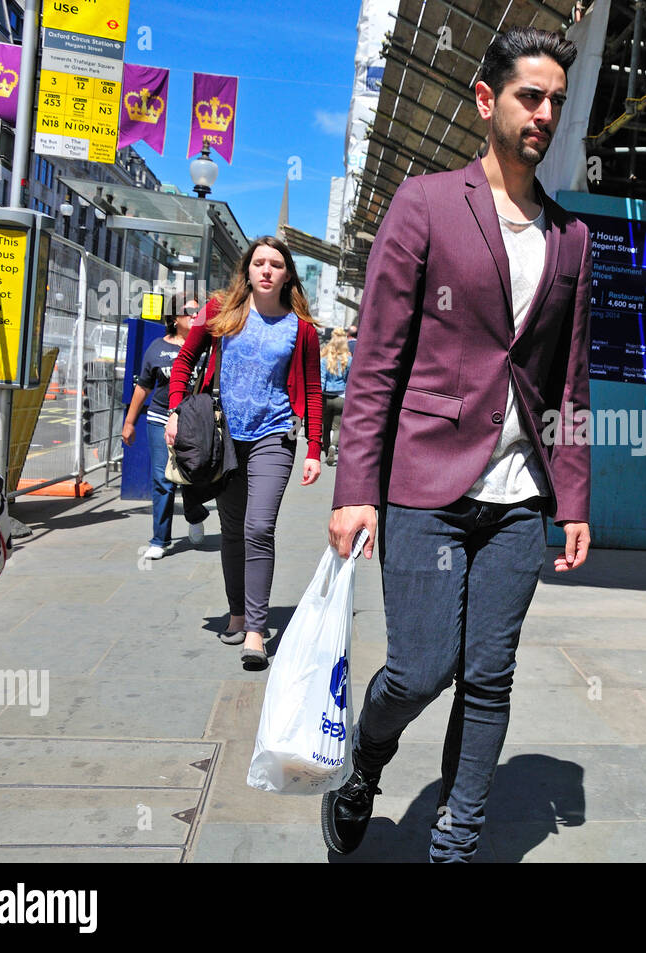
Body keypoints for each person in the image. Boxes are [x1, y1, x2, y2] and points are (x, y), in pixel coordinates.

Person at [323, 26, 592, 862]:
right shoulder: (427, 204)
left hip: (519, 498)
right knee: (421, 667)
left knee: (489, 676)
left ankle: (456, 840)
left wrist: (574, 495)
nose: (545, 113)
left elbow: (570, 381)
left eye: (555, 99)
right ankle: (367, 759)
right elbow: (376, 363)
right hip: (426, 485)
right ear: (487, 100)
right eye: (529, 96)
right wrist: (353, 488)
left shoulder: (572, 238)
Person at [167, 237, 323, 670]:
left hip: (274, 435)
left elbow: (312, 389)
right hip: (225, 437)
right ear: (249, 270)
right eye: (260, 263)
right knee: (233, 529)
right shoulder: (222, 311)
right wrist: (177, 410)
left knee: (259, 526)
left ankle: (255, 631)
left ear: (287, 273)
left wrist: (315, 447)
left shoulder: (301, 327)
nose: (267, 270)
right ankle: (237, 612)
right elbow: (184, 360)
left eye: (276, 264)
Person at [121, 292, 208, 559]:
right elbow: (143, 387)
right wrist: (129, 422)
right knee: (162, 479)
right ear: (173, 318)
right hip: (160, 418)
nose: (195, 316)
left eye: (198, 312)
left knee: (192, 476)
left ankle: (194, 516)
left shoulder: (206, 347)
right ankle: (160, 540)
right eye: (189, 312)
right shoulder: (157, 348)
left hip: (194, 421)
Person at [319, 327, 351, 466]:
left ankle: (327, 452)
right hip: (341, 397)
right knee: (337, 427)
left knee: (325, 427)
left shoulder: (325, 359)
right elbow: (350, 380)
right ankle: (333, 446)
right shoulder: (348, 359)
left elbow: (321, 380)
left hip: (326, 397)